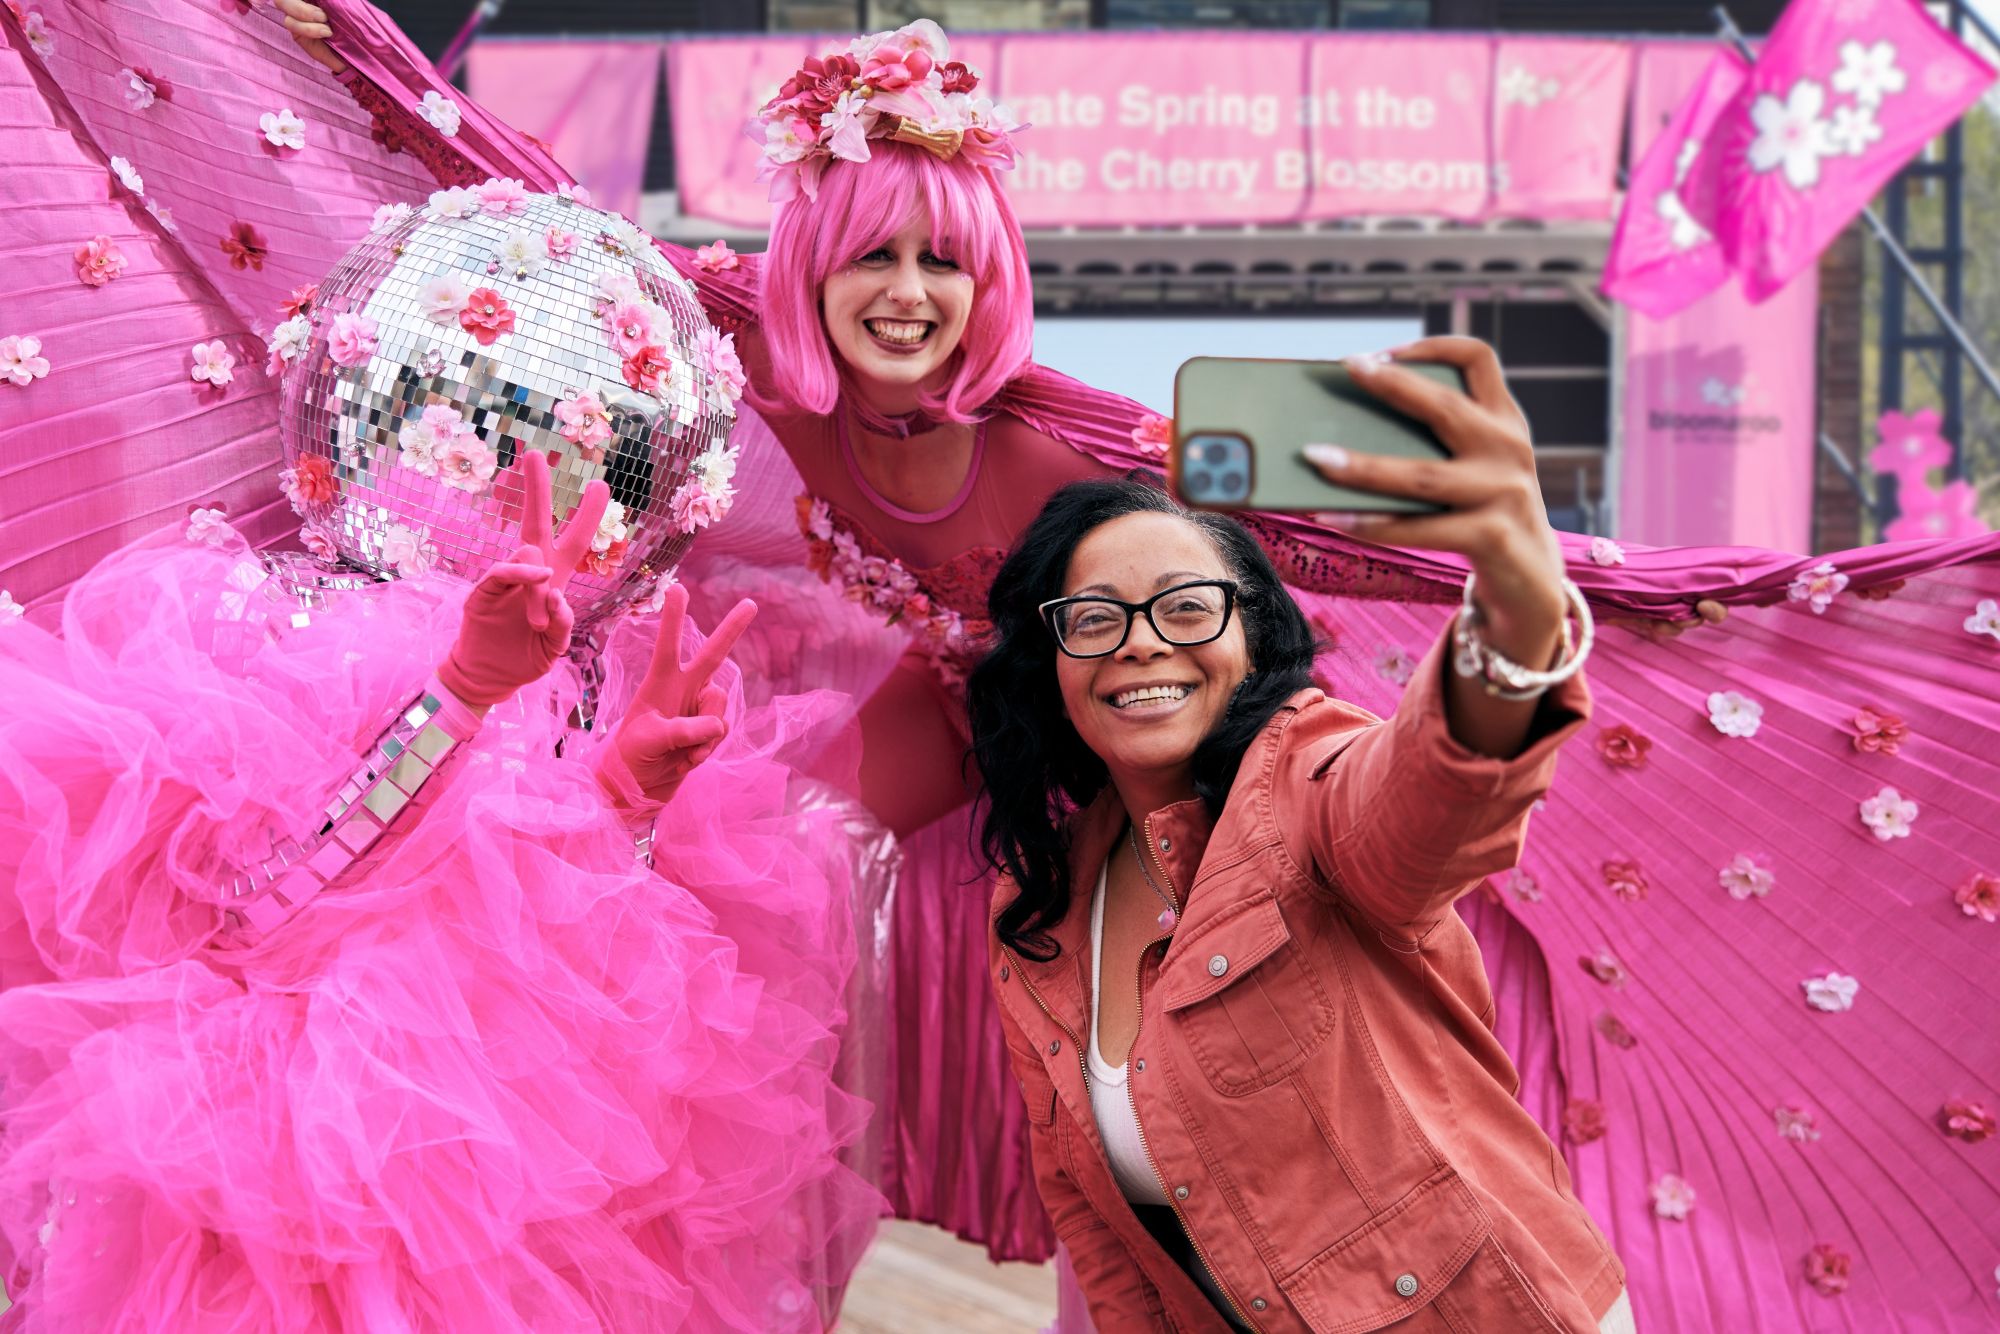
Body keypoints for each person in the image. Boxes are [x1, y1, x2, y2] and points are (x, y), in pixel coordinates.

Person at [11, 3, 1999, 1323]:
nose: (903, 295)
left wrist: (1539, 558)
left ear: (994, 278)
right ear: (806, 269)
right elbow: (490, 215)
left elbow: (1348, 523)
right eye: (869, 254)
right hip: (683, 870)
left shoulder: (1100, 448)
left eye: (943, 261)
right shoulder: (700, 367)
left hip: (971, 880)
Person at [0, 449, 879, 1328]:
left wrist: (625, 808)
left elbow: (590, 974)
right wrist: (458, 696)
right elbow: (256, 913)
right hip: (287, 1147)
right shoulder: (289, 632)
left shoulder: (589, 682)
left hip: (519, 1151)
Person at [968, 357, 1637, 1329]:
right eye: (1093, 617)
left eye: (1187, 605)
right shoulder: (1034, 908)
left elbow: (1431, 798)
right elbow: (1100, 1234)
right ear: (1053, 665)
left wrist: (1514, 594)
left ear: (1253, 640)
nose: (1139, 641)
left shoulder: (1307, 773)